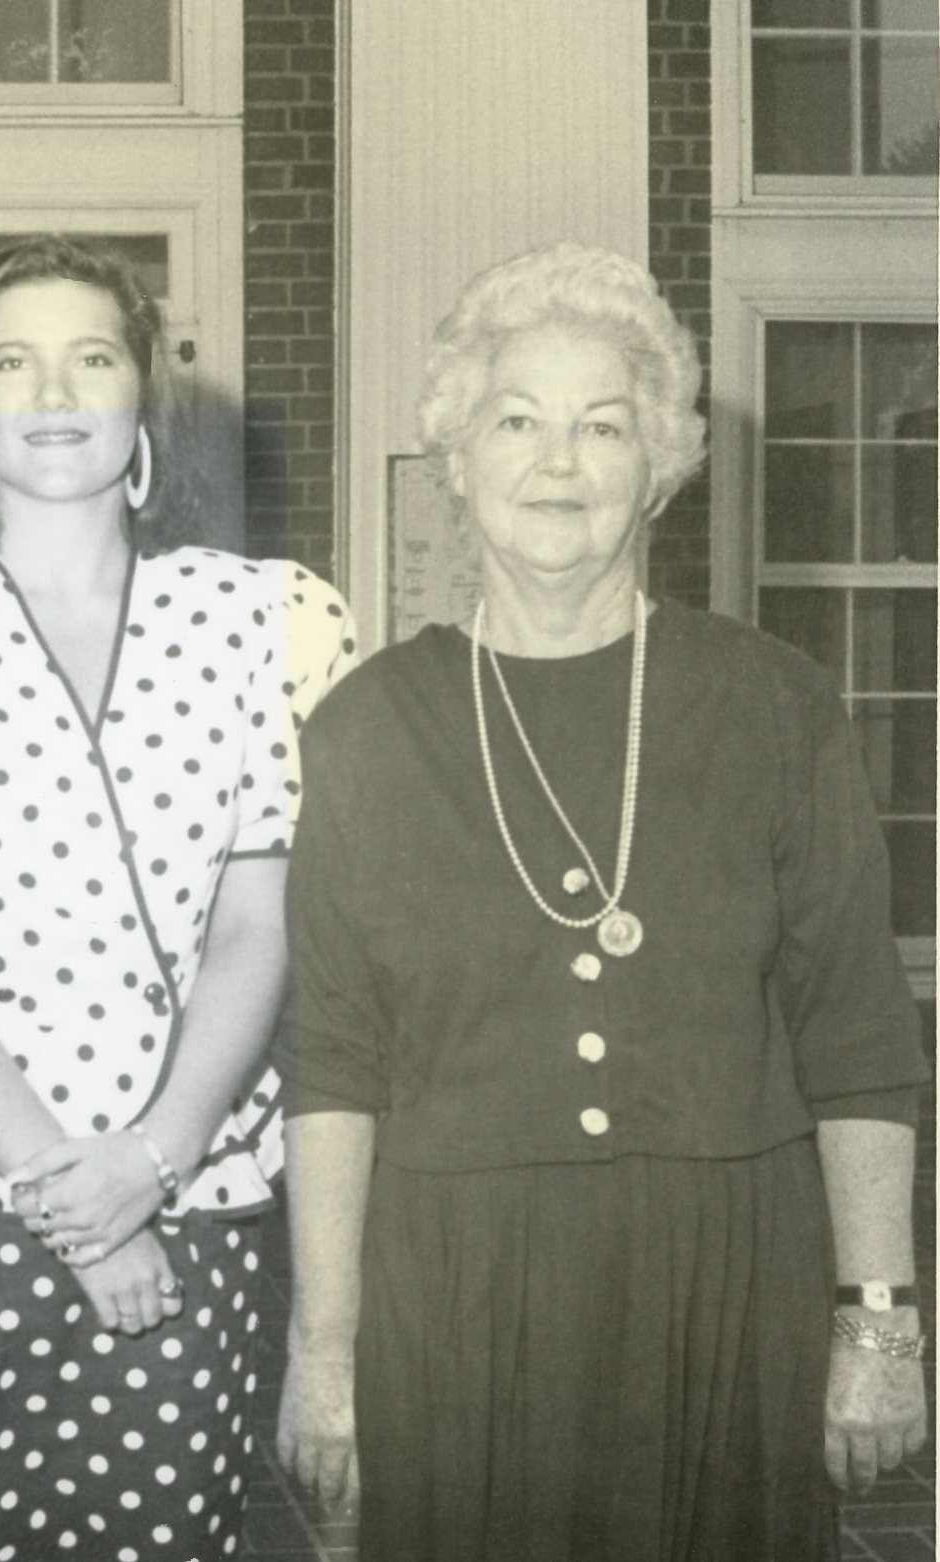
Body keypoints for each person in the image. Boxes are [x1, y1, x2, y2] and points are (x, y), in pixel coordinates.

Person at [275, 242, 930, 1559]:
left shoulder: (776, 705)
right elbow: (334, 1063)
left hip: (727, 1284)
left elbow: (858, 1040)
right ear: (454, 458)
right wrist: (323, 1346)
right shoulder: (366, 729)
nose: (558, 462)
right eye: (516, 420)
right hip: (450, 1289)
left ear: (665, 464)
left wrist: (877, 1315)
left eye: (603, 425)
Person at [0, 235, 357, 1562]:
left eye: (91, 357)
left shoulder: (257, 619)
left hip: (191, 1200)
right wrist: (79, 1208)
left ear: (144, 397)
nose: (52, 391)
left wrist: (150, 1162)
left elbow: (256, 931)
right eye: (11, 360)